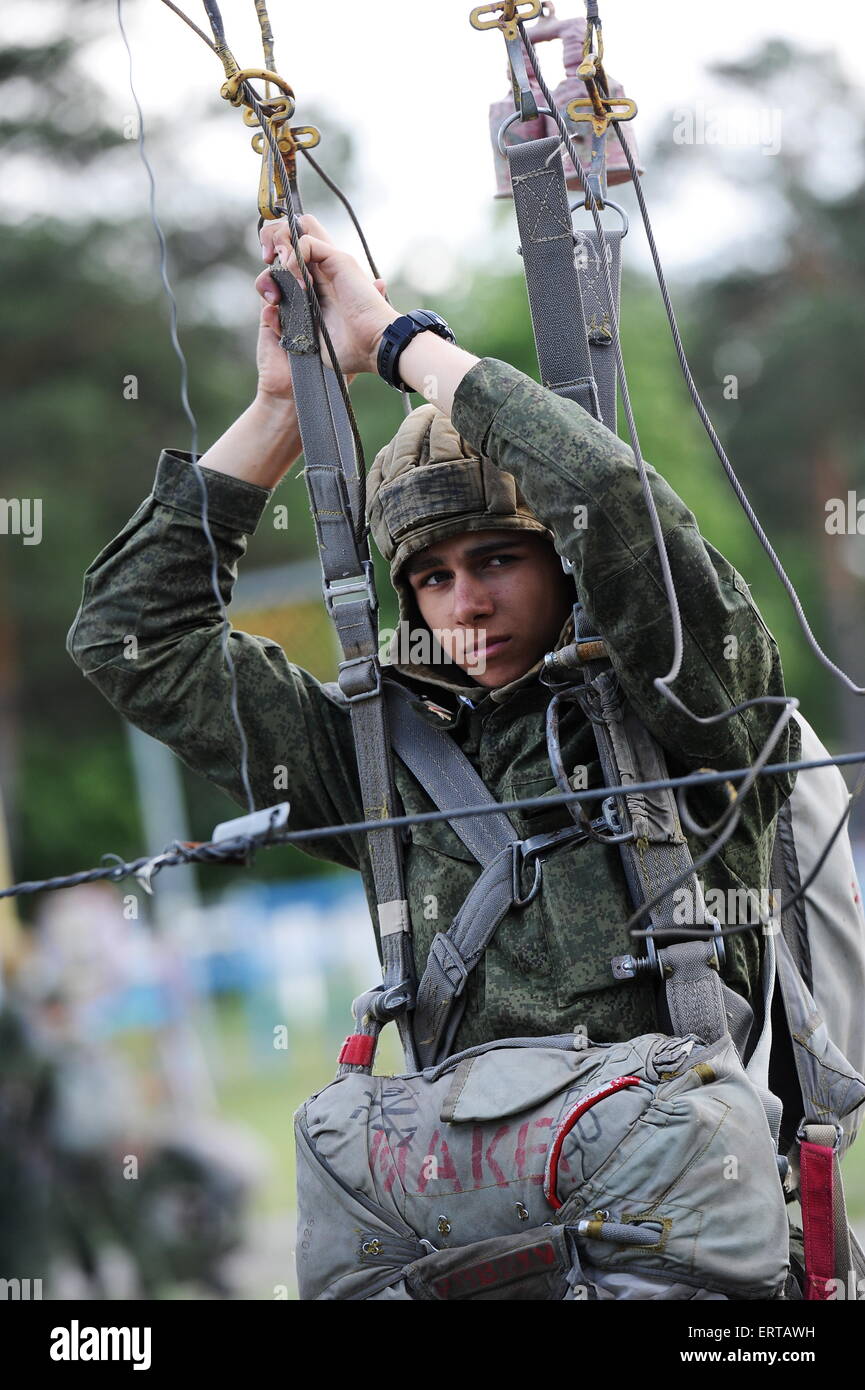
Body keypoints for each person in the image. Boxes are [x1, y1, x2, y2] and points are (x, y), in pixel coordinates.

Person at [67, 213, 798, 1053]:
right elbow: (132, 634)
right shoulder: (383, 762)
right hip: (467, 1181)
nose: (465, 606)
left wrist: (391, 340)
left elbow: (610, 497)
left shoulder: (690, 700)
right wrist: (280, 413)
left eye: (496, 561)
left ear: (565, 563)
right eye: (432, 578)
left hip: (676, 1174)